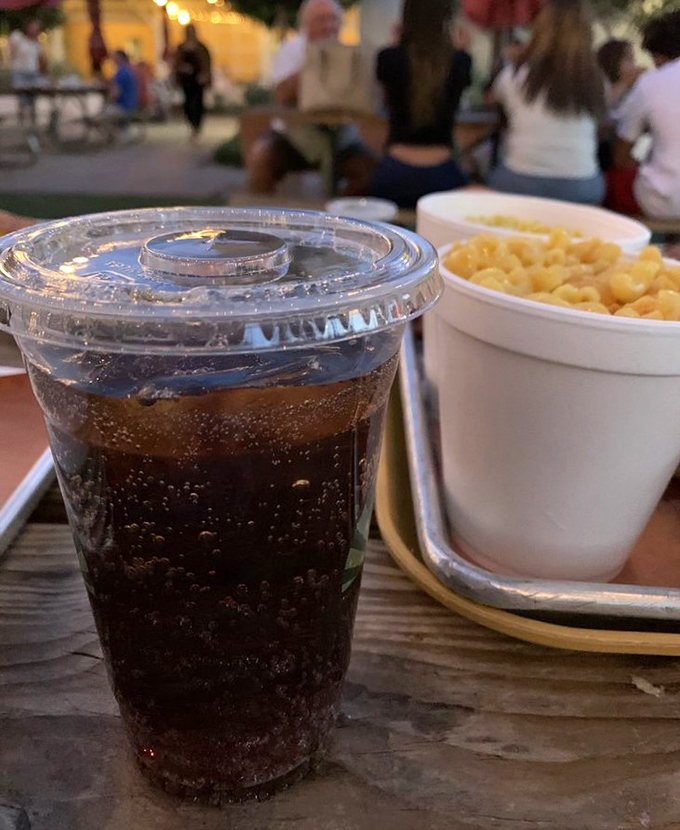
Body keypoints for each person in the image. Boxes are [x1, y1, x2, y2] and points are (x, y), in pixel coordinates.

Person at [246, 0, 376, 195]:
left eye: (333, 20)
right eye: (321, 20)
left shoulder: (350, 54)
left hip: (341, 139)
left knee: (370, 172)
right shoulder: (291, 50)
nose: (329, 26)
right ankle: (265, 218)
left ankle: (337, 216)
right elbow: (282, 95)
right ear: (306, 24)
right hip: (291, 137)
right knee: (261, 158)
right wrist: (314, 62)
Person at [488, 0, 605, 204]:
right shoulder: (596, 81)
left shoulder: (515, 75)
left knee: (484, 173)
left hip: (520, 182)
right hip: (581, 186)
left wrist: (510, 59)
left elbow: (490, 100)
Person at [368, 0, 471, 209]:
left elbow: (383, 95)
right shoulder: (461, 61)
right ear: (447, 19)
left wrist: (395, 45)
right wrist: (462, 50)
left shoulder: (387, 57)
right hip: (443, 175)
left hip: (394, 175)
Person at [612, 9, 680, 219]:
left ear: (659, 57)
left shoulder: (652, 82)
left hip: (664, 202)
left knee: (610, 180)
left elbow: (620, 157)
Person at [174, 24, 212, 141]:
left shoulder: (201, 47)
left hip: (198, 80)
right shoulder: (181, 48)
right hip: (186, 81)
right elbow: (176, 63)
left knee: (198, 104)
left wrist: (205, 75)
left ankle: (197, 126)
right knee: (187, 104)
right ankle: (191, 125)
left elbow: (207, 62)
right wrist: (181, 69)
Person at [9, 20, 44, 125]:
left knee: (33, 99)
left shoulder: (36, 43)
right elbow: (12, 50)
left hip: (33, 73)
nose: (34, 30)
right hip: (20, 73)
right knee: (22, 99)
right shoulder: (18, 38)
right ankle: (22, 122)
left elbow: (39, 59)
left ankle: (33, 123)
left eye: (36, 28)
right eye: (32, 27)